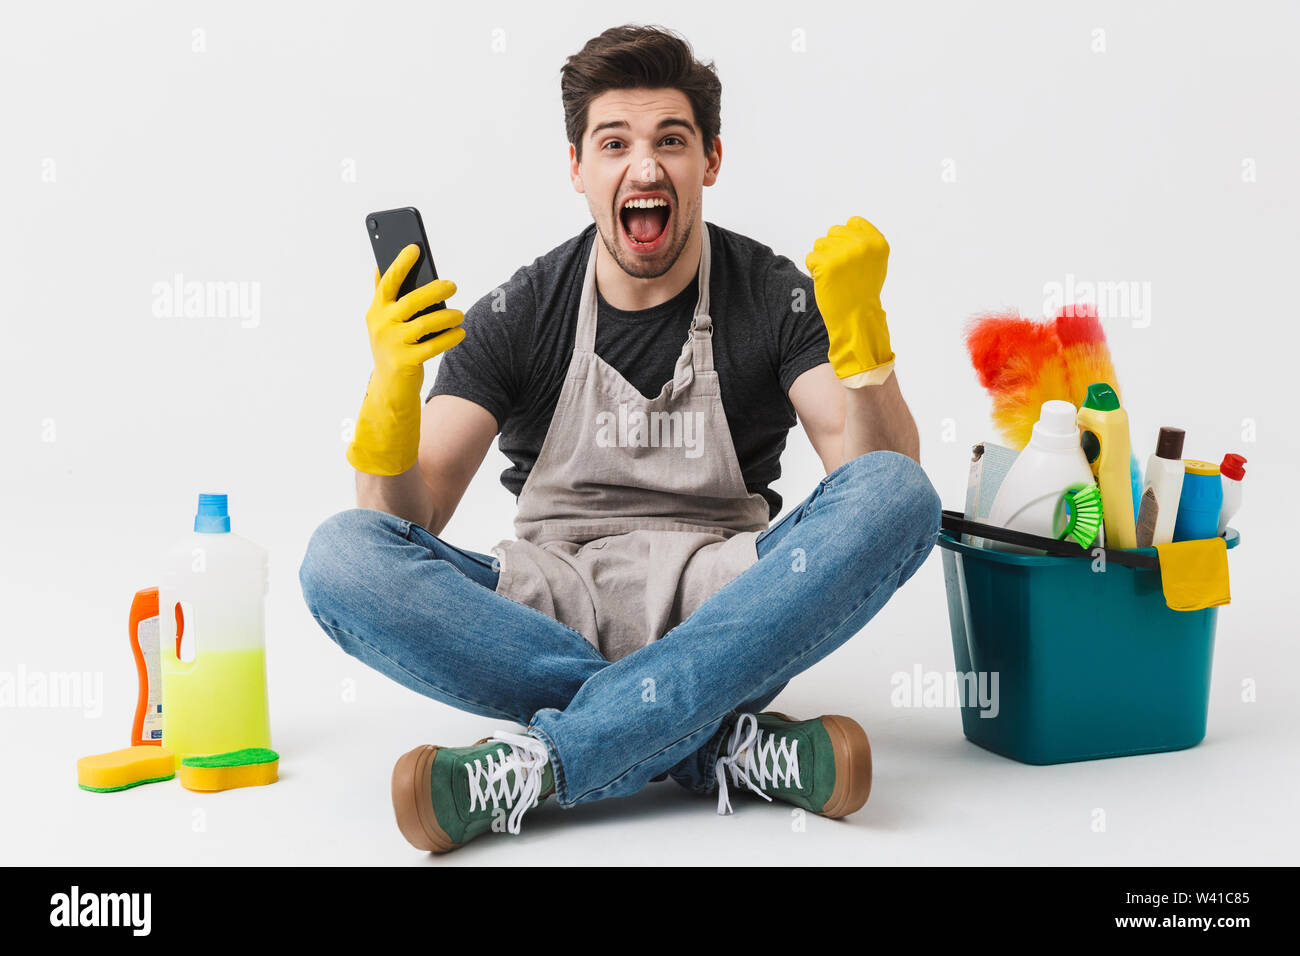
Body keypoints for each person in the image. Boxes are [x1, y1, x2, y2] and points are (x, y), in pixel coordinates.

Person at [299, 24, 940, 853]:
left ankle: (543, 765)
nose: (646, 167)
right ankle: (715, 749)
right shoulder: (521, 309)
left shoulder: (770, 292)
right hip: (546, 614)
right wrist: (389, 390)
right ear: (579, 169)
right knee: (340, 556)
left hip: (726, 602)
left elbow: (873, 476)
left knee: (903, 492)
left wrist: (864, 351)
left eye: (671, 140)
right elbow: (405, 516)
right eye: (615, 143)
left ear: (709, 160)